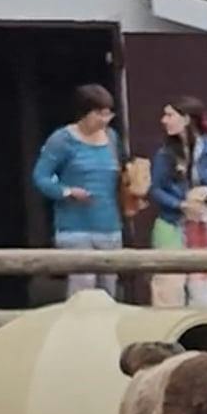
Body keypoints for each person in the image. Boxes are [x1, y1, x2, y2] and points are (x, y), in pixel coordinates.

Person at [27, 85, 125, 298]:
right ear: (84, 113)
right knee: (83, 290)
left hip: (109, 226)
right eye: (99, 113)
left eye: (109, 113)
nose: (104, 119)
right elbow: (41, 176)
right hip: (75, 228)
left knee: (109, 290)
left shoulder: (112, 138)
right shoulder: (62, 139)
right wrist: (67, 191)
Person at [149, 96, 207, 309]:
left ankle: (202, 333)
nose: (164, 120)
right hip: (172, 224)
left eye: (169, 115)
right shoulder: (165, 154)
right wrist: (180, 204)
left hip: (205, 224)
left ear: (186, 119)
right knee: (169, 287)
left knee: (204, 286)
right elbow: (156, 189)